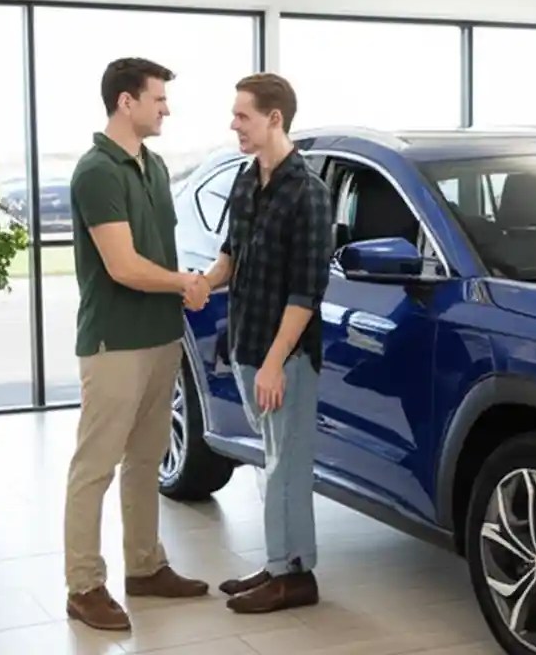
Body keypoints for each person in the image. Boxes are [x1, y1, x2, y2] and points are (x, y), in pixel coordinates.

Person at [63, 57, 213, 631]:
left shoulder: (152, 166)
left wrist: (189, 282)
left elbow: (161, 250)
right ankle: (84, 584)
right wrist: (184, 284)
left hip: (160, 336)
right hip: (116, 342)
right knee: (94, 466)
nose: (166, 108)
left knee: (147, 459)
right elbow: (123, 265)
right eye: (158, 99)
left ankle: (145, 566)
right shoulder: (97, 171)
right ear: (126, 102)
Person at [202, 72, 333, 614]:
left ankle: (295, 577)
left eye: (242, 116)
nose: (233, 124)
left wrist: (275, 363)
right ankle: (281, 561)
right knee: (273, 460)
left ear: (274, 118)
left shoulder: (309, 194)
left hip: (286, 357)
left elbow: (306, 293)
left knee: (287, 464)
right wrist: (201, 284)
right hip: (248, 345)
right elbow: (231, 256)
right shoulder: (245, 179)